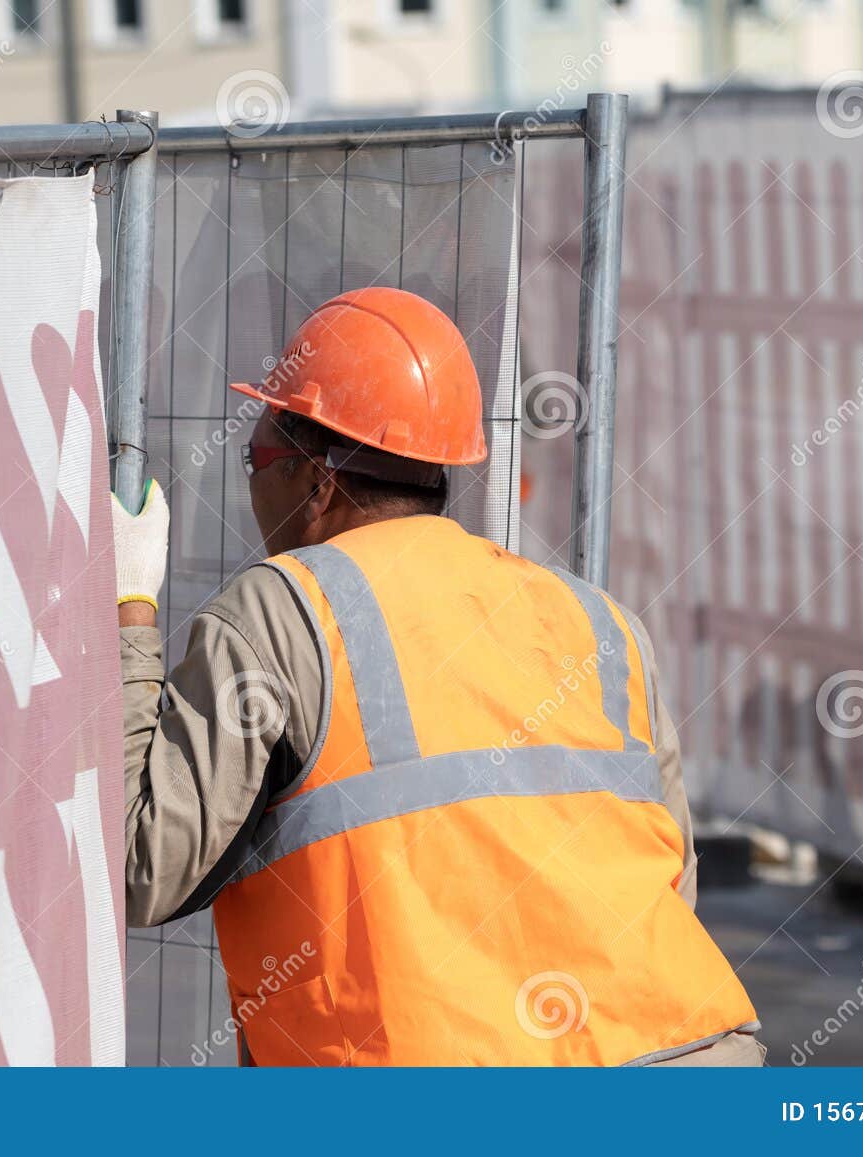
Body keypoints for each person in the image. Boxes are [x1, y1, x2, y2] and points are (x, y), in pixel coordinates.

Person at [112, 286, 761, 1066]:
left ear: (317, 481)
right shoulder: (601, 621)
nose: (251, 485)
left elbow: (141, 867)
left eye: (257, 459)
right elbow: (664, 879)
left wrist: (128, 612)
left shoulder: (280, 611)